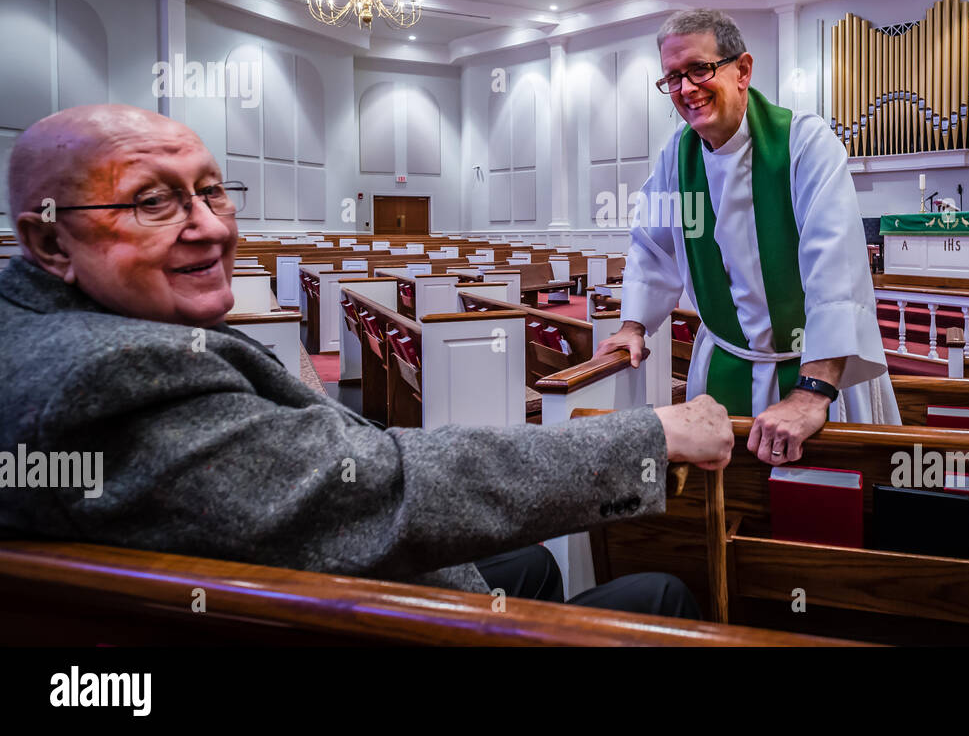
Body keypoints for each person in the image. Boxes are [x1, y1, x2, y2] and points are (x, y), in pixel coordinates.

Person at [0, 104, 733, 619]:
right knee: (661, 595)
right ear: (51, 242)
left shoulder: (45, 325)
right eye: (153, 201)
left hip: (288, 575)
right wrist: (648, 435)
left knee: (532, 564)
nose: (210, 228)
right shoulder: (104, 377)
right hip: (340, 615)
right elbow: (383, 490)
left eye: (213, 190)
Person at [595, 8, 900, 468]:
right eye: (672, 78)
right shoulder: (677, 158)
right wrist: (633, 325)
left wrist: (812, 391)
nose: (686, 89)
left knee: (829, 506)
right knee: (726, 509)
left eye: (699, 69)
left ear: (743, 70)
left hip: (814, 366)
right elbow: (653, 248)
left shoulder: (803, 143)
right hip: (726, 363)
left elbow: (836, 266)